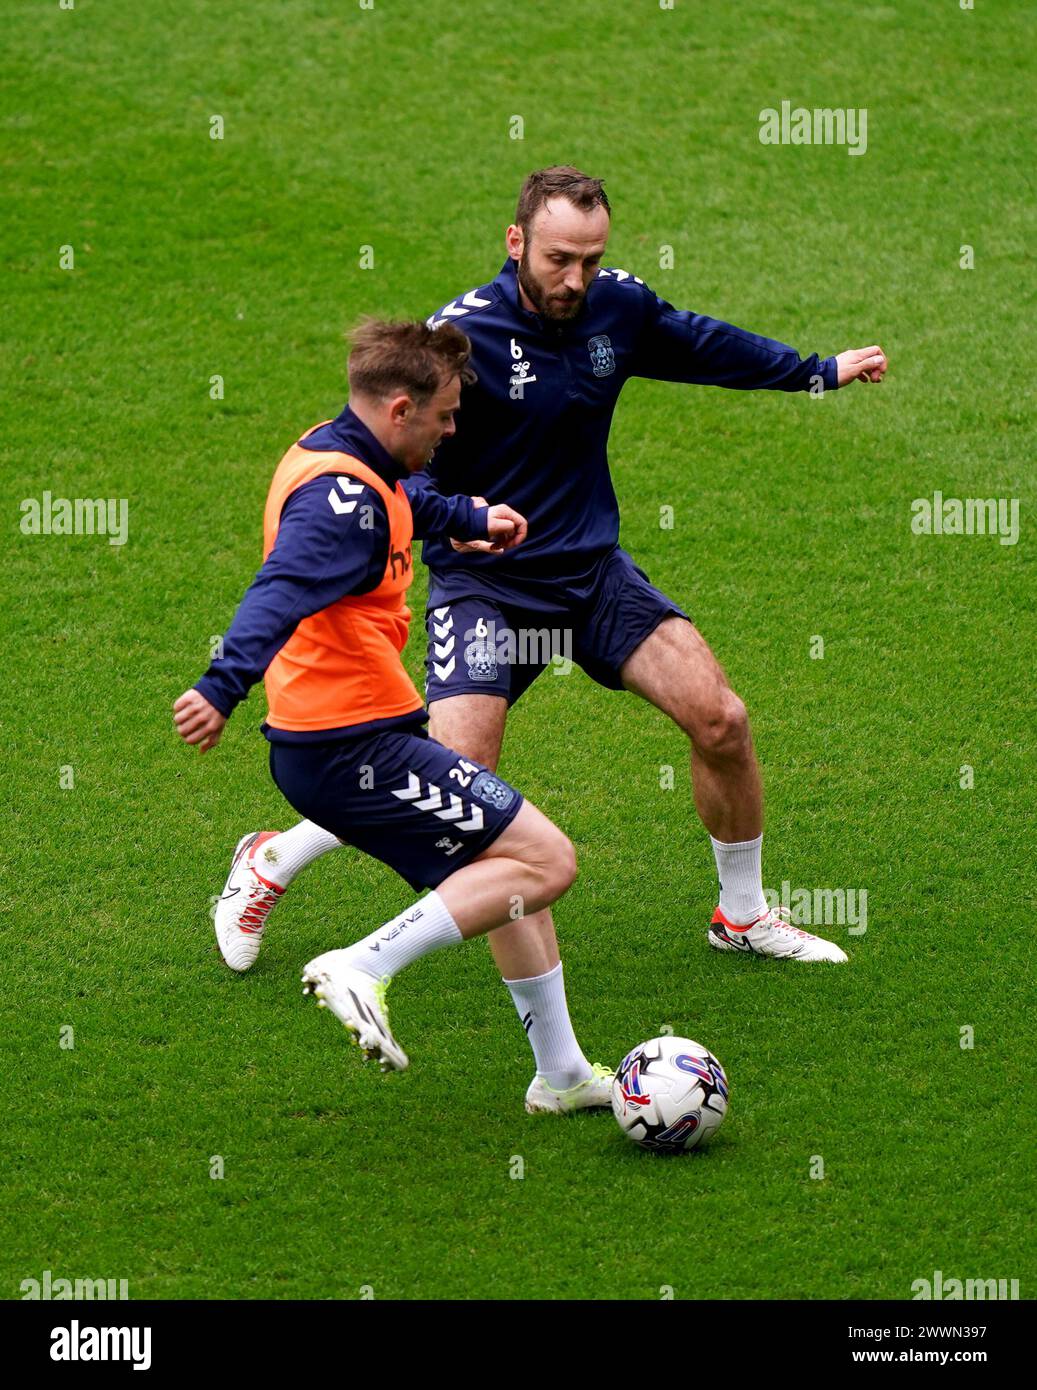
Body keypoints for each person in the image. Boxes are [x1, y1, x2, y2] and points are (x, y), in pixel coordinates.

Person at [213, 165, 890, 1086]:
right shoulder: (463, 338)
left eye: (591, 258)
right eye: (559, 258)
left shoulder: (615, 308)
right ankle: (273, 859)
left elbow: (697, 344)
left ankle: (740, 915)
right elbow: (399, 469)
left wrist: (815, 372)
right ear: (516, 243)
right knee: (462, 788)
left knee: (720, 719)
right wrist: (457, 518)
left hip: (591, 574)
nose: (574, 278)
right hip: (486, 586)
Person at [173, 319, 613, 1110]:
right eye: (444, 416)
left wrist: (466, 519)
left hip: (353, 737)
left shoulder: (338, 449)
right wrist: (220, 685)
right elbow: (281, 587)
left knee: (505, 874)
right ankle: (361, 966)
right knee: (548, 861)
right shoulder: (340, 505)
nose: (452, 430)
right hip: (352, 750)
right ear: (402, 408)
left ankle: (563, 1075)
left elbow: (402, 494)